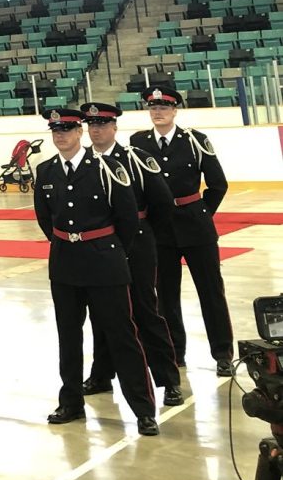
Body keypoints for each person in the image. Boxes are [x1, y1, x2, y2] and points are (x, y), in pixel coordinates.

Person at [34, 107, 158, 437]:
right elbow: (46, 219)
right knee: (68, 337)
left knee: (122, 335)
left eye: (68, 129)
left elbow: (128, 219)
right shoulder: (45, 171)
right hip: (64, 265)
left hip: (105, 263)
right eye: (55, 130)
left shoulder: (108, 168)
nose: (60, 135)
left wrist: (110, 251)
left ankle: (144, 410)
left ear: (80, 132)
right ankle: (71, 401)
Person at [81, 101, 183, 406]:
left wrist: (145, 234)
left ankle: (168, 379)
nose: (96, 130)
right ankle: (102, 374)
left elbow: (163, 203)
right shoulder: (82, 163)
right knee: (101, 312)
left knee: (145, 309)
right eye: (92, 125)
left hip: (136, 243)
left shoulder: (136, 159)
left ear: (114, 127)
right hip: (99, 248)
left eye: (102, 125)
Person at [129, 86, 235, 376]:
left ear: (175, 110)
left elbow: (217, 184)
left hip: (196, 226)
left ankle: (222, 353)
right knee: (165, 295)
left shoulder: (195, 141)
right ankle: (175, 352)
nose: (158, 112)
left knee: (211, 292)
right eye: (153, 107)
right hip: (159, 230)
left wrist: (200, 212)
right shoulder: (138, 143)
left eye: (164, 107)